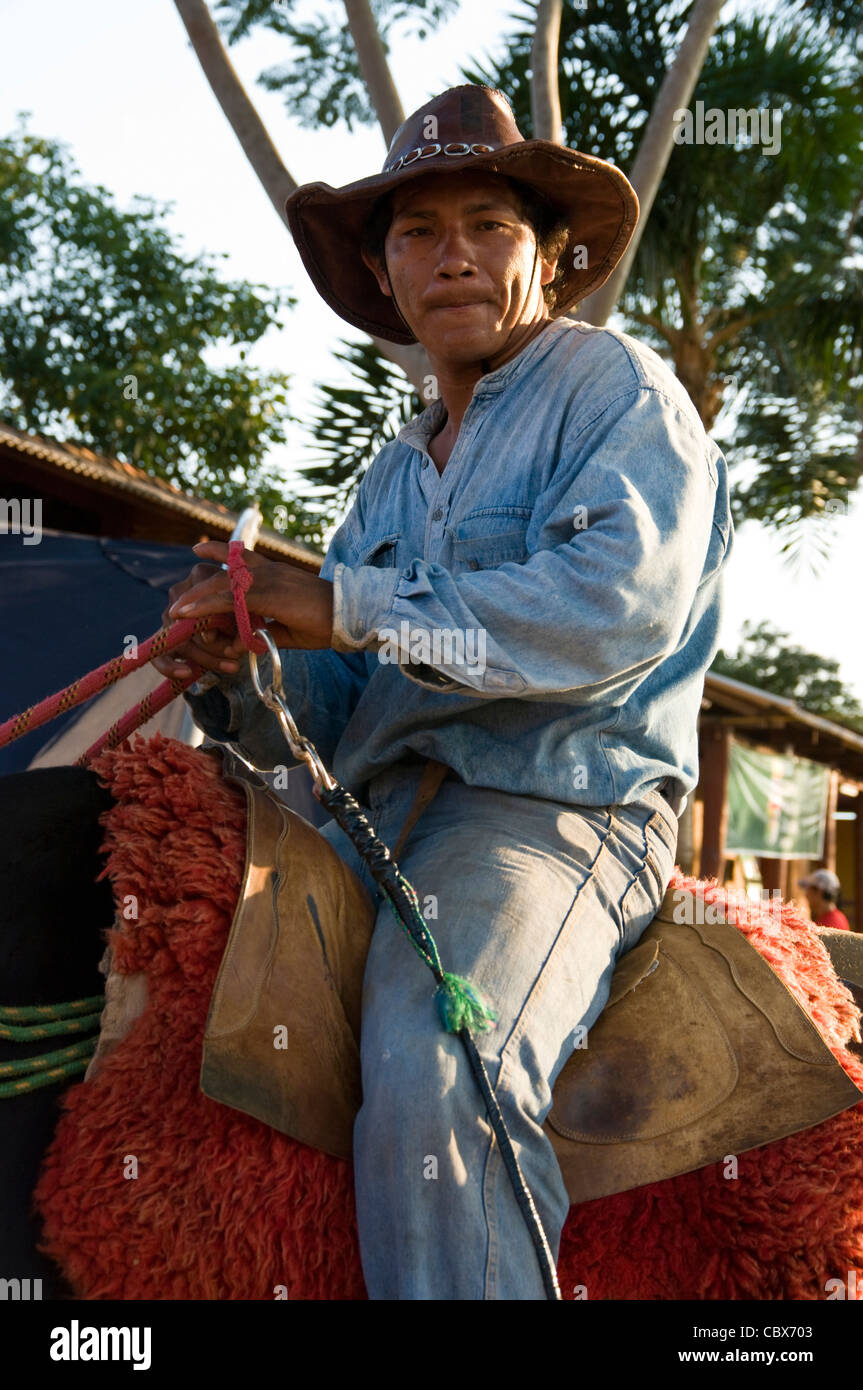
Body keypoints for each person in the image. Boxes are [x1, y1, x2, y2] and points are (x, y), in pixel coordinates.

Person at [151, 84, 733, 1299]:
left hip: (550, 809)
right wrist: (243, 662)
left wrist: (349, 605)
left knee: (437, 1061)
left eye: (486, 223)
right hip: (364, 813)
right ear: (384, 269)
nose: (452, 255)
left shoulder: (613, 390)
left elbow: (606, 615)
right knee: (144, 990)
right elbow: (329, 705)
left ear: (549, 255)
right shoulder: (390, 479)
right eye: (417, 232)